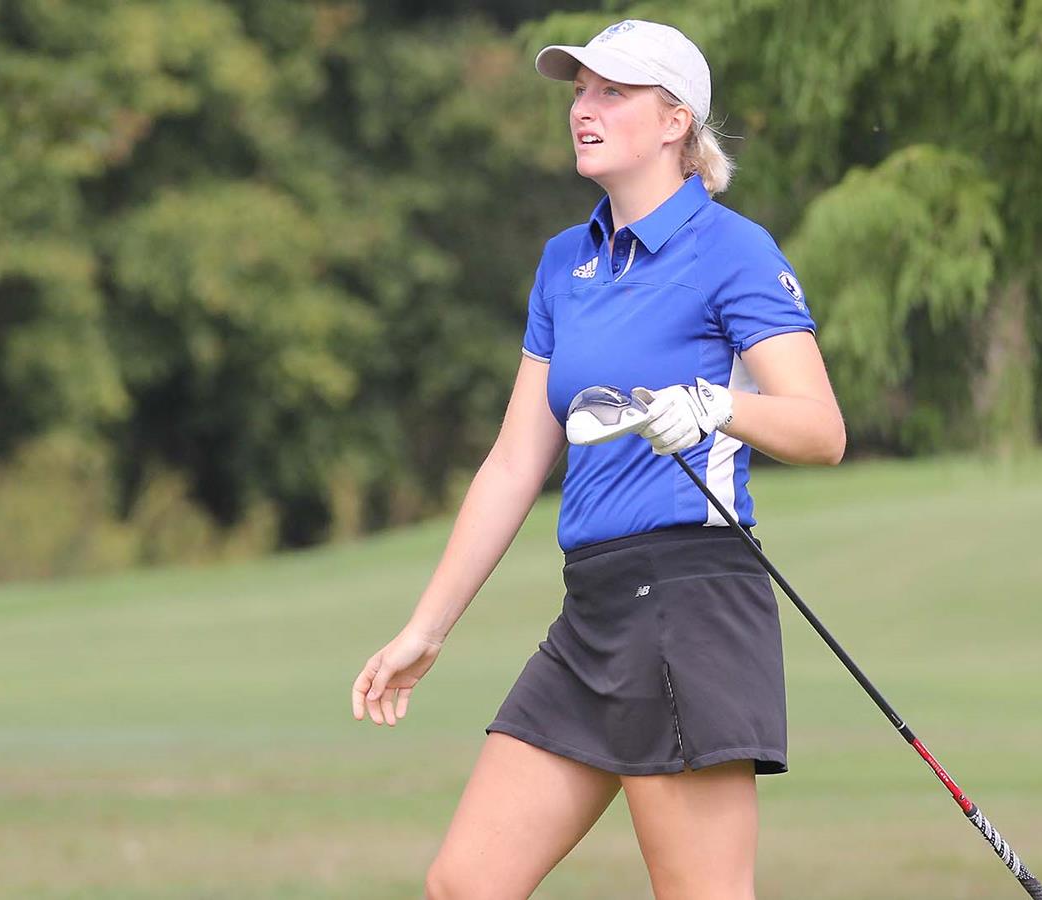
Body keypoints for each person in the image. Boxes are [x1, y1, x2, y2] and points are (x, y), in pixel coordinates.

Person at [350, 19, 846, 900]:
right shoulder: (564, 263)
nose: (583, 108)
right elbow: (514, 462)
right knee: (465, 884)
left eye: (613, 92)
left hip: (691, 605)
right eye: (580, 91)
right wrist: (426, 628)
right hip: (594, 609)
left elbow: (821, 429)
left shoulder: (731, 249)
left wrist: (716, 406)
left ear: (675, 121)